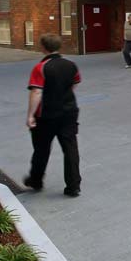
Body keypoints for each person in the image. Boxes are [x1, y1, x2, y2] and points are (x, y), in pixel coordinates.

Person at [22, 33, 83, 197]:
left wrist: (30, 115)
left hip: (46, 115)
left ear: (43, 47)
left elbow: (36, 92)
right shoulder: (71, 65)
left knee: (41, 149)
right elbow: (75, 83)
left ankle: (36, 180)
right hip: (69, 112)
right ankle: (73, 185)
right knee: (70, 149)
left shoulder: (40, 68)